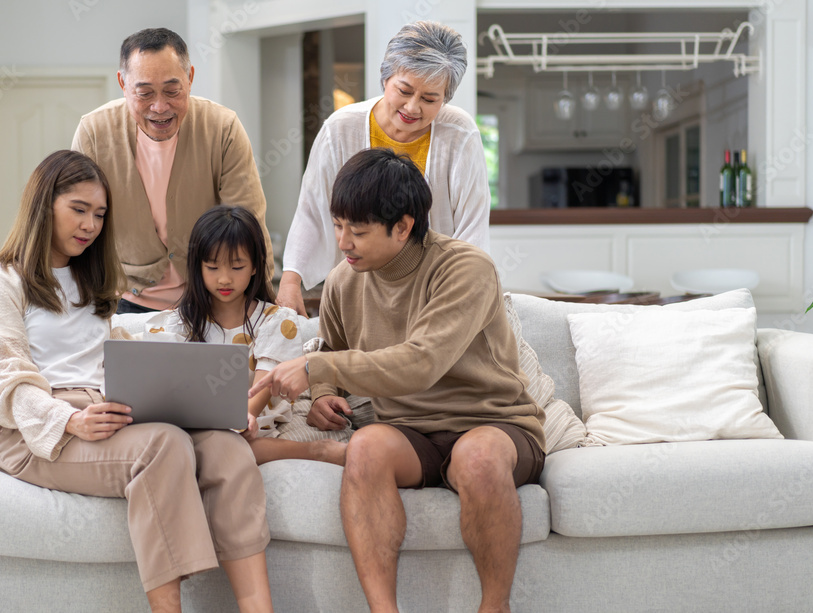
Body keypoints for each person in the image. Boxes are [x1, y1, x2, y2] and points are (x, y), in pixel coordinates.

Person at [0, 150, 274, 613]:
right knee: (162, 446)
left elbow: (118, 368)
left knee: (227, 449)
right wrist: (68, 420)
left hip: (104, 413)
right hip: (35, 433)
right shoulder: (2, 282)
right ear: (44, 205)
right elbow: (2, 382)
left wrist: (216, 412)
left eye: (99, 214)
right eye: (78, 209)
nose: (90, 225)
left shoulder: (93, 282)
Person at [252, 148, 546, 613]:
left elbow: (421, 362)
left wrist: (317, 373)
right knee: (366, 446)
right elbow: (331, 348)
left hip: (493, 424)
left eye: (359, 231)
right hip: (411, 432)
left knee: (477, 457)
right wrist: (326, 394)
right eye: (338, 225)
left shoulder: (465, 269)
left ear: (404, 226)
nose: (344, 242)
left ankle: (495, 607)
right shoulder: (343, 282)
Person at [277, 20, 491, 317]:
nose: (413, 107)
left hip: (436, 287)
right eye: (404, 90)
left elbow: (472, 225)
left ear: (445, 98)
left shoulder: (459, 133)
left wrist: (462, 295)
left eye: (430, 99)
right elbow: (313, 210)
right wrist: (291, 280)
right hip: (361, 288)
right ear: (385, 79)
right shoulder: (341, 128)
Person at [72, 27, 274, 315]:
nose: (159, 107)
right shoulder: (94, 132)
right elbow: (74, 222)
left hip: (208, 299)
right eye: (144, 93)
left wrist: (265, 308)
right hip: (122, 300)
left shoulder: (222, 128)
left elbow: (248, 224)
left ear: (190, 78)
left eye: (172, 90)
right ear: (123, 83)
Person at [140, 205, 347, 466]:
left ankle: (315, 450)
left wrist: (242, 417)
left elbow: (266, 384)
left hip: (251, 419)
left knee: (222, 447)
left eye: (237, 267)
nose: (224, 279)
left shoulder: (276, 320)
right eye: (212, 267)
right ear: (198, 268)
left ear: (254, 267)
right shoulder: (182, 321)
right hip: (197, 420)